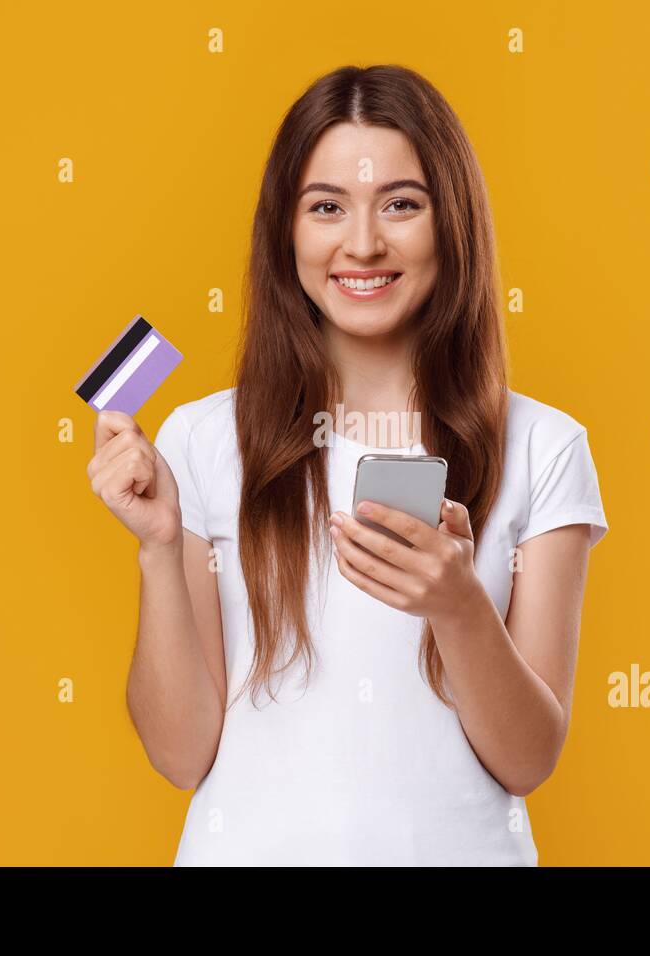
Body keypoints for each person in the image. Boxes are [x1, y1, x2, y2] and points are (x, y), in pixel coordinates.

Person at [86, 64, 609, 865]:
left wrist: (460, 606)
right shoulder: (199, 440)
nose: (362, 243)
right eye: (326, 207)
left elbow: (529, 759)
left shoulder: (545, 446)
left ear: (452, 223)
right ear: (285, 232)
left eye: (401, 204)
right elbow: (180, 753)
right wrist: (158, 549)